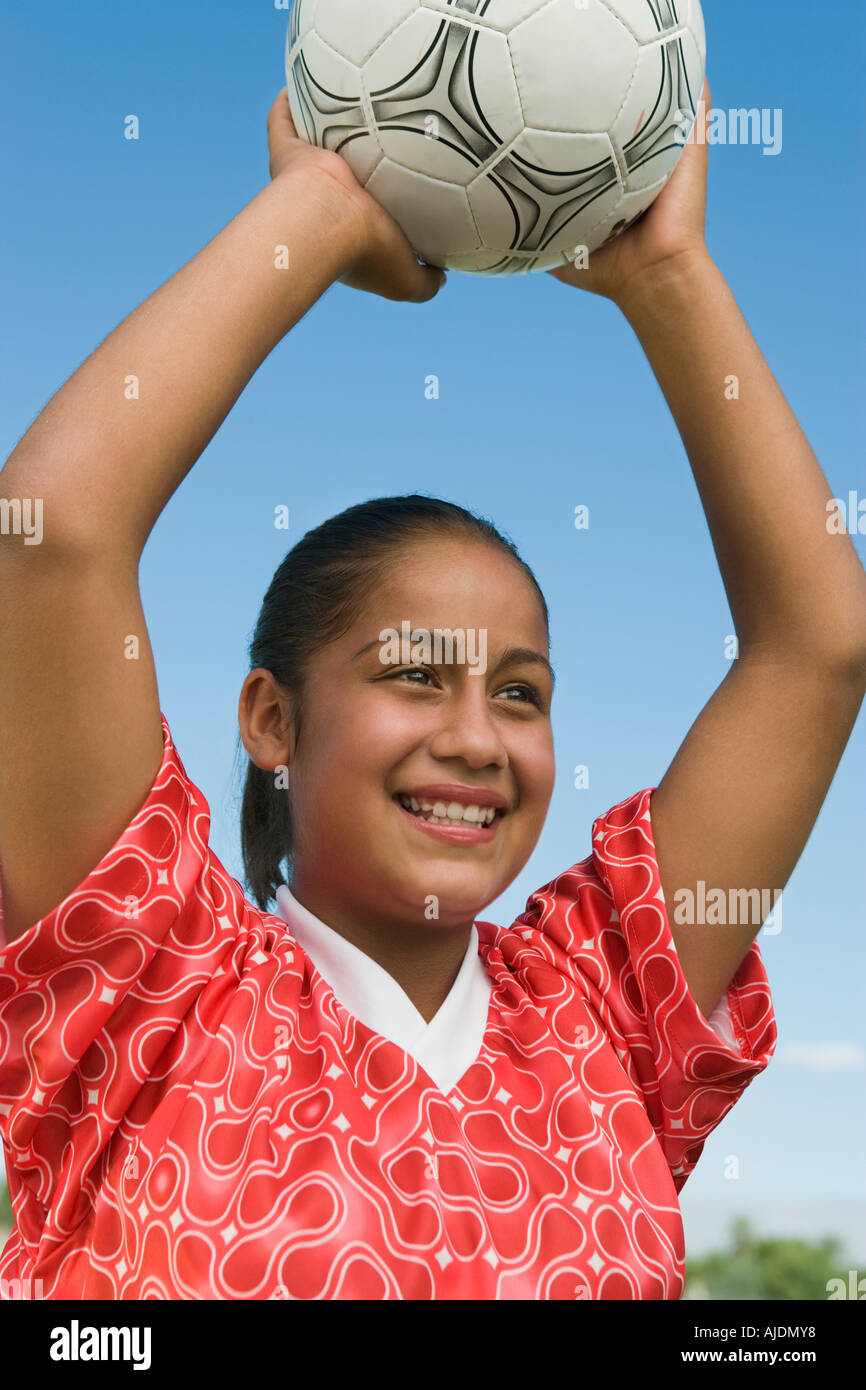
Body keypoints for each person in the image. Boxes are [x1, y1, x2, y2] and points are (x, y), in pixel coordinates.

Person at [0, 82, 864, 1302]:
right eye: (412, 675)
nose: (475, 738)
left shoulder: (602, 1014)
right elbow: (48, 537)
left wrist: (667, 276)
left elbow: (816, 649)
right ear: (272, 721)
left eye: (520, 694)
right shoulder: (151, 983)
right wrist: (321, 212)